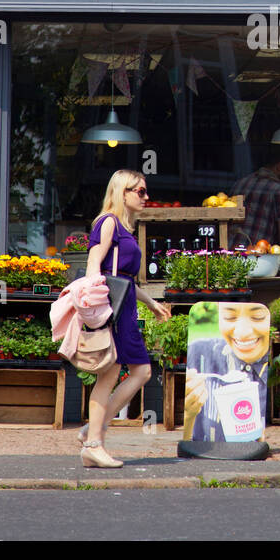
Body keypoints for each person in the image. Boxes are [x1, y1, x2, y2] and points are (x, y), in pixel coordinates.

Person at [78, 168, 171, 468]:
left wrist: (152, 303)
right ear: (122, 192)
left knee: (140, 371)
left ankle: (93, 431)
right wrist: (96, 305)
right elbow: (94, 262)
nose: (146, 197)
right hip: (113, 308)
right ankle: (94, 442)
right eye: (140, 191)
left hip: (125, 305)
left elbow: (126, 279)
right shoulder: (108, 223)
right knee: (110, 373)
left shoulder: (124, 228)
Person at [183, 301, 271, 442]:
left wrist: (258, 443)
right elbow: (189, 443)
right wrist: (188, 416)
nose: (243, 332)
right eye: (229, 317)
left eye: (258, 317)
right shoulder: (200, 355)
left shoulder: (273, 368)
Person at [230, 156, 280, 248]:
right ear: (279, 167)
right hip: (256, 255)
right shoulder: (279, 189)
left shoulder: (240, 183)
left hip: (229, 251)